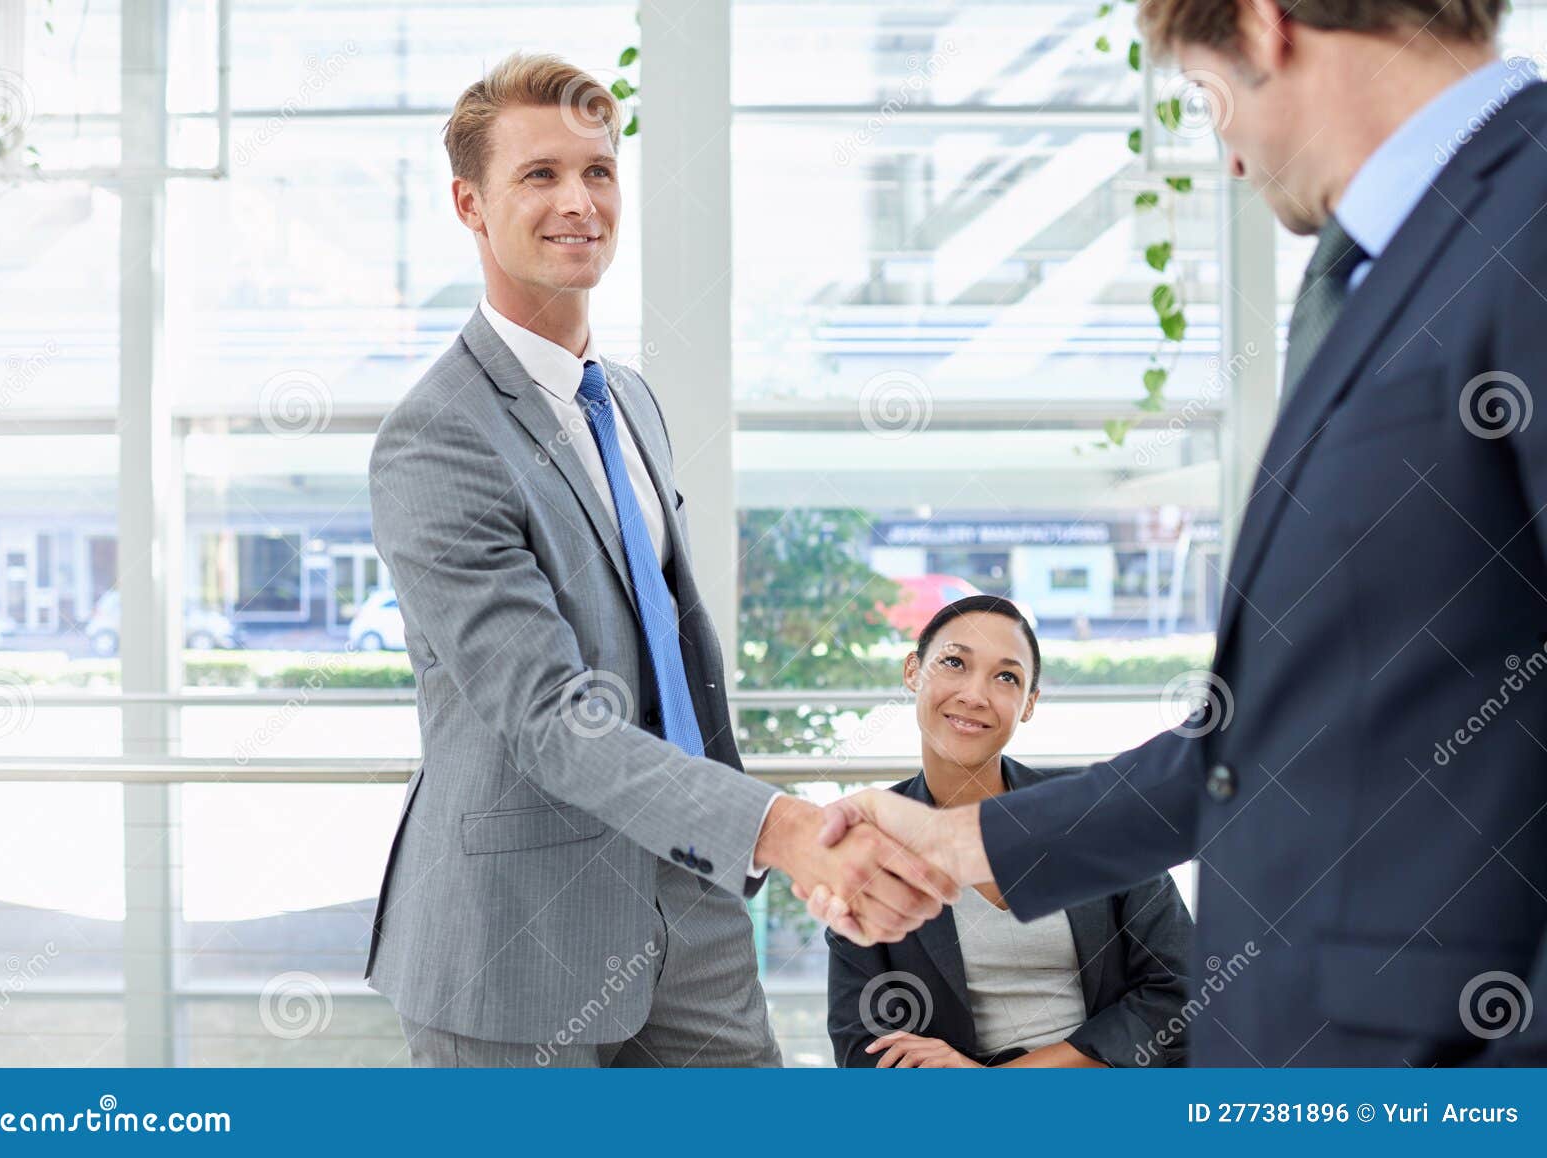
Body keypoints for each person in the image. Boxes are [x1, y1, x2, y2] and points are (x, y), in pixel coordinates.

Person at [803, 0, 1547, 1066]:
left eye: (1206, 96)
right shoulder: (1366, 274)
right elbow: (1274, 742)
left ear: (1263, 26)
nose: (1228, 157)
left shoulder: (1527, 215)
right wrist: (958, 837)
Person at [365, 53, 956, 1068]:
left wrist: (752, 840)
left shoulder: (628, 401)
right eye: (539, 175)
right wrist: (784, 828)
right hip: (518, 940)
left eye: (598, 171)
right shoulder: (437, 439)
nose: (579, 201)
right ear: (469, 203)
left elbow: (665, 662)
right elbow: (554, 719)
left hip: (692, 897)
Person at [826, 596, 1193, 1068]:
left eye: (1006, 677)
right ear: (913, 671)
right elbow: (863, 1046)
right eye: (954, 662)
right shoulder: (871, 841)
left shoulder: (1090, 813)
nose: (974, 695)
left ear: (1029, 704)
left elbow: (1179, 991)